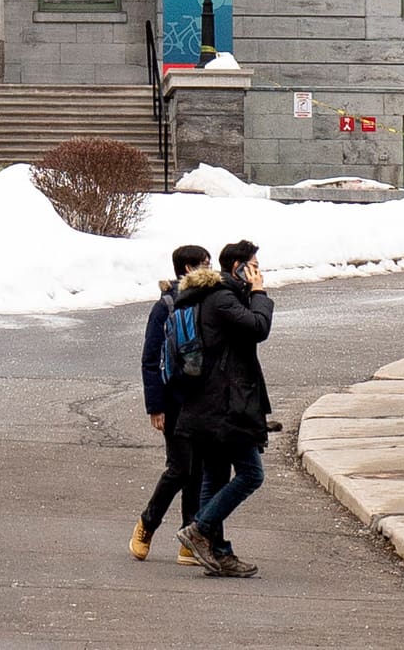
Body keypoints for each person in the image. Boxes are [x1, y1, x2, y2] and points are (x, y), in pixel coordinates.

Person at [169, 237, 276, 576]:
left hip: (209, 404)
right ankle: (199, 529)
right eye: (254, 267)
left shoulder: (214, 295)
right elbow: (258, 328)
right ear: (237, 267)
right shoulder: (222, 298)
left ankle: (217, 552)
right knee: (250, 474)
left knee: (214, 478)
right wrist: (259, 293)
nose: (259, 273)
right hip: (225, 406)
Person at [132, 244, 211, 560]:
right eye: (205, 264)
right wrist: (156, 406)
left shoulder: (210, 302)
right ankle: (147, 525)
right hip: (175, 399)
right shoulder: (165, 306)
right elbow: (150, 360)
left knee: (199, 470)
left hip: (203, 400)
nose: (210, 269)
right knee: (180, 468)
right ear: (189, 269)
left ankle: (187, 539)